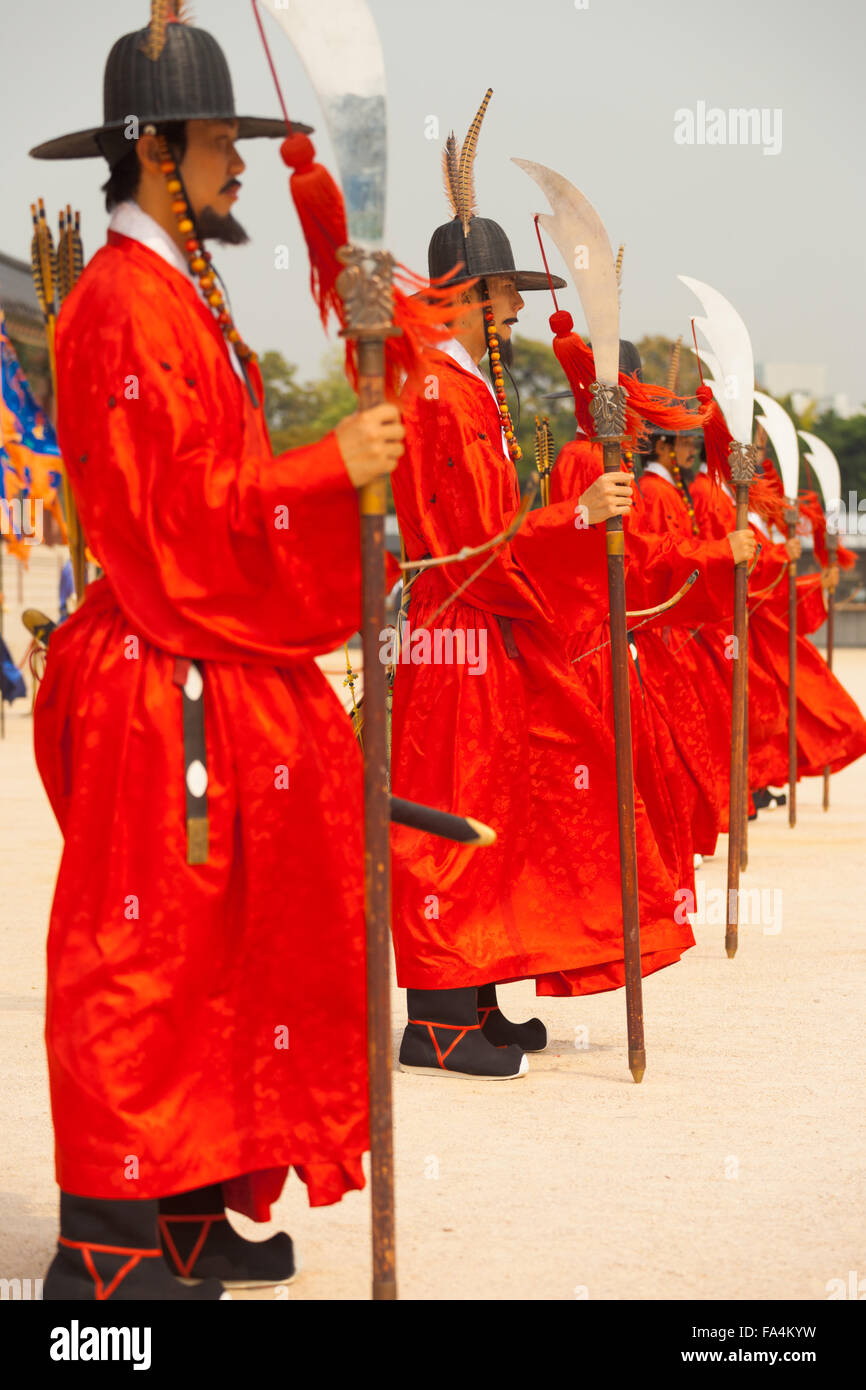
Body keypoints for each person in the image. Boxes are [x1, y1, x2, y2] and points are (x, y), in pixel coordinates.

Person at [30, 3, 403, 1300]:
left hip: (201, 668)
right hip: (152, 671)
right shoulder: (121, 305)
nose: (239, 165)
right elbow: (171, 520)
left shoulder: (178, 291)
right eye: (216, 140)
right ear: (154, 156)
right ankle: (107, 1247)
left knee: (218, 950)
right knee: (136, 957)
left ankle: (187, 1200)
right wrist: (325, 465)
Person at [389, 94, 695, 1082]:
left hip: (481, 631)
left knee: (497, 807)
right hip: (453, 635)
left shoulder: (464, 387)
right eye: (504, 302)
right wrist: (579, 518)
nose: (515, 319)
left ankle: (477, 990)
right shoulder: (436, 389)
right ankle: (435, 1019)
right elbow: (470, 544)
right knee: (450, 811)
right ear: (468, 295)